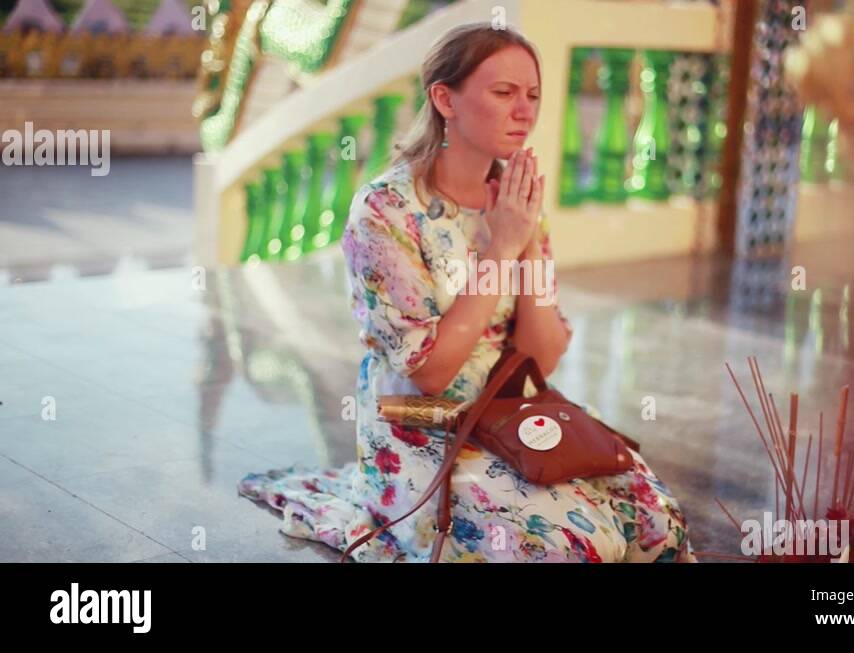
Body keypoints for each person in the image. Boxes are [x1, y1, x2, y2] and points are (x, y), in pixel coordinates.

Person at [239, 22, 695, 562]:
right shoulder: (384, 212)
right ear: (444, 99)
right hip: (418, 423)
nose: (524, 111)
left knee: (656, 524)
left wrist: (523, 240)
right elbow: (430, 373)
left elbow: (540, 357)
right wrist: (501, 249)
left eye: (532, 96)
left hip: (508, 408)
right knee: (564, 549)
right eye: (504, 93)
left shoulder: (516, 203)